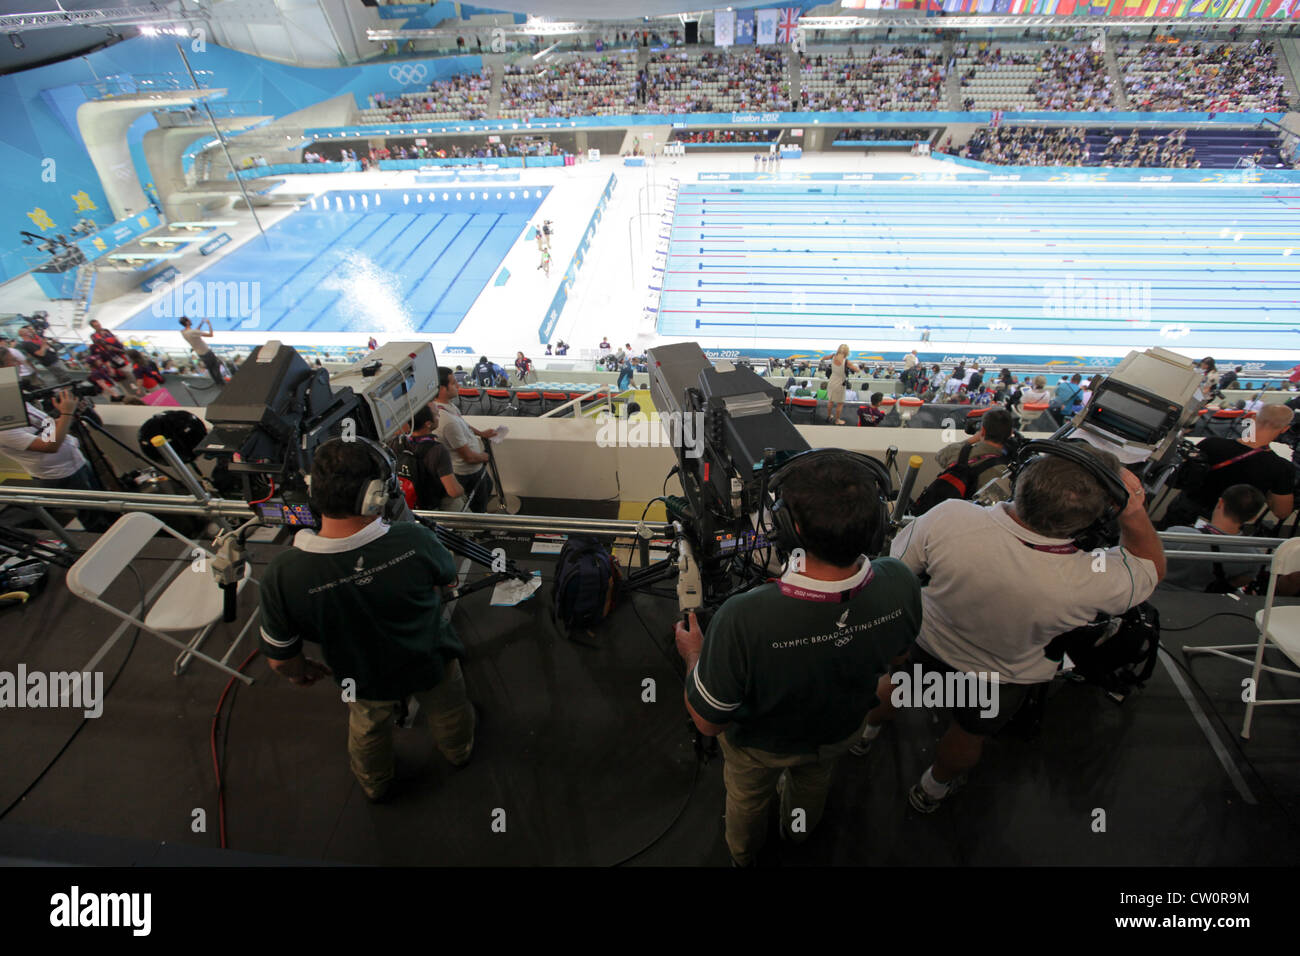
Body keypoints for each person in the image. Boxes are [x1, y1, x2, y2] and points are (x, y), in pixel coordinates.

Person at [883, 446, 1163, 812]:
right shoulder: (1094, 579)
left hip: (927, 644)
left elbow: (897, 570)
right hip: (1000, 680)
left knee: (897, 687)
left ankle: (865, 736)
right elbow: (1149, 567)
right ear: (1096, 518)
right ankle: (931, 790)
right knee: (968, 734)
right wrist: (1135, 510)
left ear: (1022, 479)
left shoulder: (949, 518)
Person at [675, 454, 922, 866]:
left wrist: (693, 653)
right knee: (814, 781)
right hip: (838, 734)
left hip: (759, 748)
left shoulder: (741, 617)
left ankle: (743, 855)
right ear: (877, 524)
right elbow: (897, 657)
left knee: (748, 801)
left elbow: (707, 720)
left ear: (792, 530)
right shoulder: (901, 582)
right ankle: (798, 831)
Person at [258, 439, 474, 803]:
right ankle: (459, 751)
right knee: (450, 710)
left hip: (361, 676)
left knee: (368, 728)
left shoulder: (282, 573)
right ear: (376, 496)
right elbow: (447, 578)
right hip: (431, 660)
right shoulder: (413, 539)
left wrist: (300, 671)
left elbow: (281, 658)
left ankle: (375, 784)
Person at [1162, 403, 1296, 527]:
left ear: (1253, 418)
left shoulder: (1210, 444)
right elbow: (1282, 512)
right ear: (1285, 428)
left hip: (1182, 515)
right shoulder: (1281, 468)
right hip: (1224, 528)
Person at [0, 385, 112, 531]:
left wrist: (65, 415)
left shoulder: (14, 404)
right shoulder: (4, 428)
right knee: (92, 514)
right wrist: (66, 413)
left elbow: (47, 427)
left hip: (76, 461)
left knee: (103, 502)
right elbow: (49, 446)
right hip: (60, 473)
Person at [1161, 484, 1268, 593]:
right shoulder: (1253, 556)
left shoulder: (1176, 534)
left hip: (1159, 594)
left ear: (1220, 503)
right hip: (1204, 603)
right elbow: (1235, 584)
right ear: (1253, 518)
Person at [434, 366, 498, 513]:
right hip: (467, 473)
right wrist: (485, 456)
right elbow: (468, 457)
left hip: (474, 468)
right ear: (442, 388)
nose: (458, 385)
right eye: (453, 383)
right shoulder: (447, 421)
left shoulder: (447, 408)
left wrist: (480, 433)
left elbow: (462, 423)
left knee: (486, 488)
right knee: (477, 506)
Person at [394, 405, 465, 512]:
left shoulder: (397, 443)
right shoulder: (437, 450)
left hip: (406, 503)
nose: (438, 417)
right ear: (428, 423)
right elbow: (453, 492)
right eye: (436, 415)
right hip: (431, 505)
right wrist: (462, 490)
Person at [88, 319, 142, 397]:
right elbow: (106, 345)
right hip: (113, 366)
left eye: (98, 324)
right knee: (124, 384)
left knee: (134, 378)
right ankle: (133, 398)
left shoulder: (106, 331)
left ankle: (143, 395)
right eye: (96, 326)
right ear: (93, 327)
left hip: (123, 361)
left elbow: (115, 343)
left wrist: (119, 348)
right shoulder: (94, 338)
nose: (98, 326)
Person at [178, 316, 224, 388]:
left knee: (210, 369)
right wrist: (209, 324)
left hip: (200, 353)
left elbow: (195, 332)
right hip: (206, 352)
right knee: (216, 367)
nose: (191, 320)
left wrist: (201, 323)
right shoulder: (193, 332)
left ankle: (217, 382)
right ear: (187, 322)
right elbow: (211, 335)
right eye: (189, 320)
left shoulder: (183, 332)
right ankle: (221, 383)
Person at [822, 344, 858, 425]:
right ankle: (837, 420)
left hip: (832, 380)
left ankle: (829, 416)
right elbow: (857, 370)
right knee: (840, 403)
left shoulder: (833, 356)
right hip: (840, 382)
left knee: (830, 400)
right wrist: (854, 366)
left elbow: (824, 358)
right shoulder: (847, 362)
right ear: (847, 352)